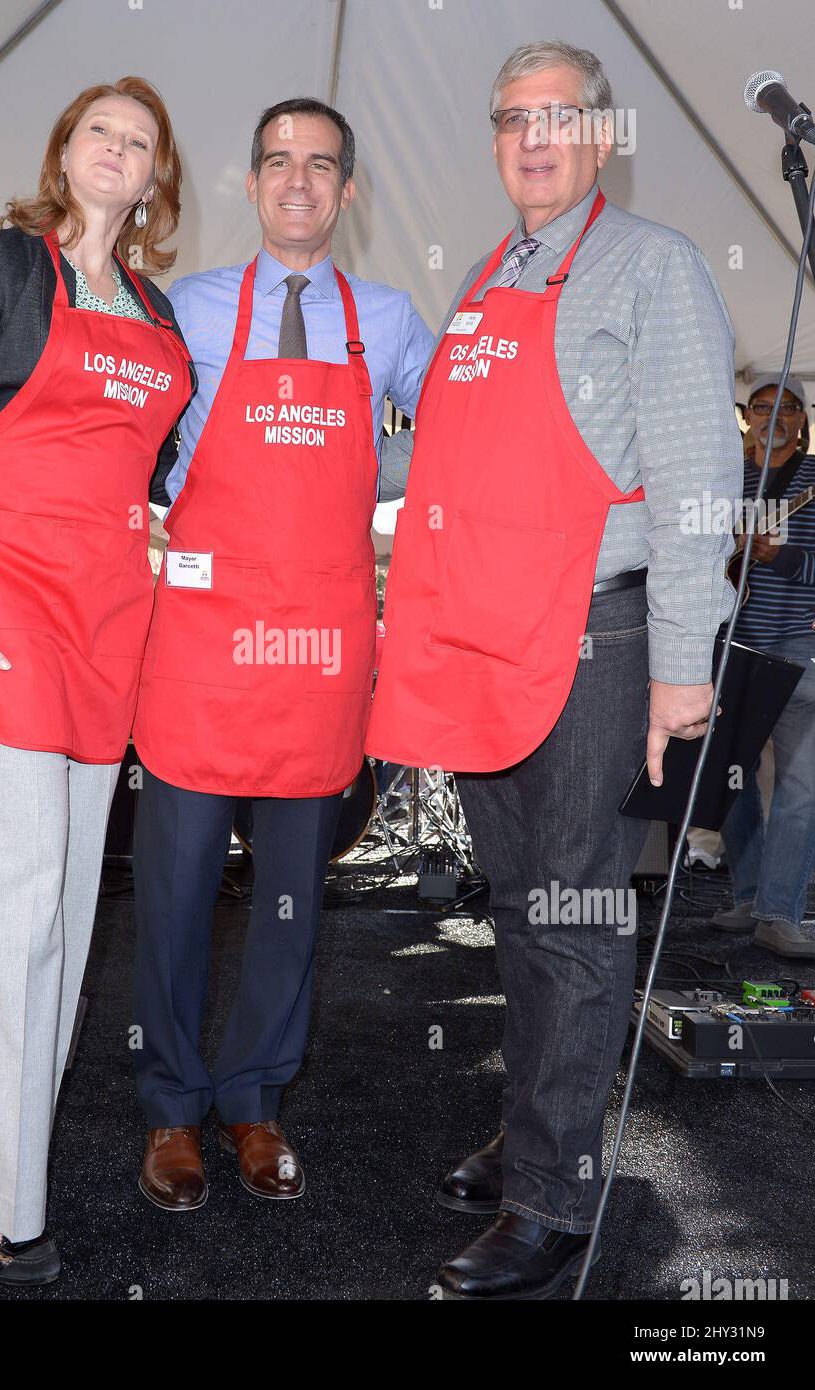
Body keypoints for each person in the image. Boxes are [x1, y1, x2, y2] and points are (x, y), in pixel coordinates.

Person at [366, 39, 742, 1299]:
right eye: (512, 117)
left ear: (604, 134)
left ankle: (556, 1195)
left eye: (560, 116)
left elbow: (700, 483)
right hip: (486, 644)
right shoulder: (486, 276)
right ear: (494, 142)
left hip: (598, 638)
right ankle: (539, 1126)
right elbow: (447, 472)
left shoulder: (656, 267)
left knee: (576, 916)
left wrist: (685, 668)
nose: (535, 137)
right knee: (518, 913)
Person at [0, 79, 194, 1286]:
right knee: (10, 913)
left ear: (157, 174)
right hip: (5, 623)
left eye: (140, 141)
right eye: (98, 133)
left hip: (111, 633)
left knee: (63, 920)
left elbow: (146, 475)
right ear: (63, 152)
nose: (116, 152)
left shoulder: (159, 308)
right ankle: (0, 1196)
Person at [129, 97, 433, 1212]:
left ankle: (257, 1099)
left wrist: (374, 479)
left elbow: (451, 437)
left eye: (320, 166)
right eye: (276, 163)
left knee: (293, 890)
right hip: (203, 639)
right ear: (249, 185)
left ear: (348, 192)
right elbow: (123, 436)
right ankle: (171, 1107)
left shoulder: (390, 319)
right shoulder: (186, 307)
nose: (297, 181)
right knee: (174, 887)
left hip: (319, 644)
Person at [710, 374, 815, 957]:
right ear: (746, 416)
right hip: (729, 648)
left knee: (802, 786)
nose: (776, 414)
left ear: (803, 421)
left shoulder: (814, 480)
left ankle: (779, 912)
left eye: (790, 407)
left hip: (800, 652)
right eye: (763, 405)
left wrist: (783, 556)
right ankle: (750, 893)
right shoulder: (725, 481)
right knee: (731, 777)